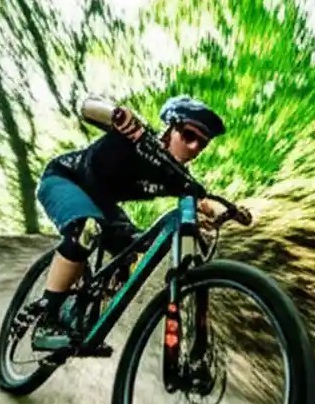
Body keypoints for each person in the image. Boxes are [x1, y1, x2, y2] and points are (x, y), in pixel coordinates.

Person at [30, 93, 232, 350]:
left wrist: (229, 212)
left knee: (133, 250)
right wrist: (116, 114)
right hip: (65, 179)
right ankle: (46, 319)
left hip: (103, 205)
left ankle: (85, 317)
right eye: (189, 136)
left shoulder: (178, 177)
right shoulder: (135, 135)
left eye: (201, 144)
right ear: (170, 128)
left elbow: (204, 202)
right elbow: (88, 107)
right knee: (87, 228)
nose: (194, 148)